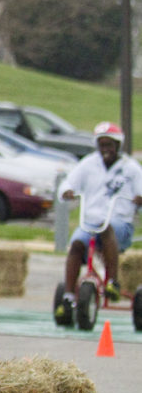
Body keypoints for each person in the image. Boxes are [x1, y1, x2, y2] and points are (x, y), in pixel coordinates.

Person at [55, 121, 142, 320]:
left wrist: (139, 199)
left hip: (120, 223)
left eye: (109, 145)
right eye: (101, 145)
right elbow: (68, 182)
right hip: (90, 222)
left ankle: (112, 282)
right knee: (76, 244)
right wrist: (66, 191)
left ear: (118, 145)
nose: (105, 150)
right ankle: (68, 296)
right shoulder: (88, 164)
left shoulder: (131, 168)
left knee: (107, 228)